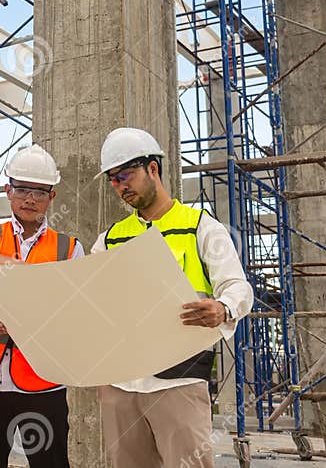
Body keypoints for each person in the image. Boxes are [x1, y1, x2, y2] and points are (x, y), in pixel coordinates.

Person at [94, 127, 253, 468]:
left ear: (153, 168)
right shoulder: (109, 239)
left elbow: (239, 287)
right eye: (113, 179)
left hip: (179, 378)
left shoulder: (201, 227)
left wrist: (223, 309)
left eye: (126, 175)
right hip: (121, 384)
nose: (121, 185)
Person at [0, 144, 84, 468]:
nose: (30, 199)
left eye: (39, 192)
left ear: (51, 197)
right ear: (8, 190)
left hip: (42, 386)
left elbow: (73, 311)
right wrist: (32, 285)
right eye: (22, 189)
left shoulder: (70, 249)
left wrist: (23, 310)